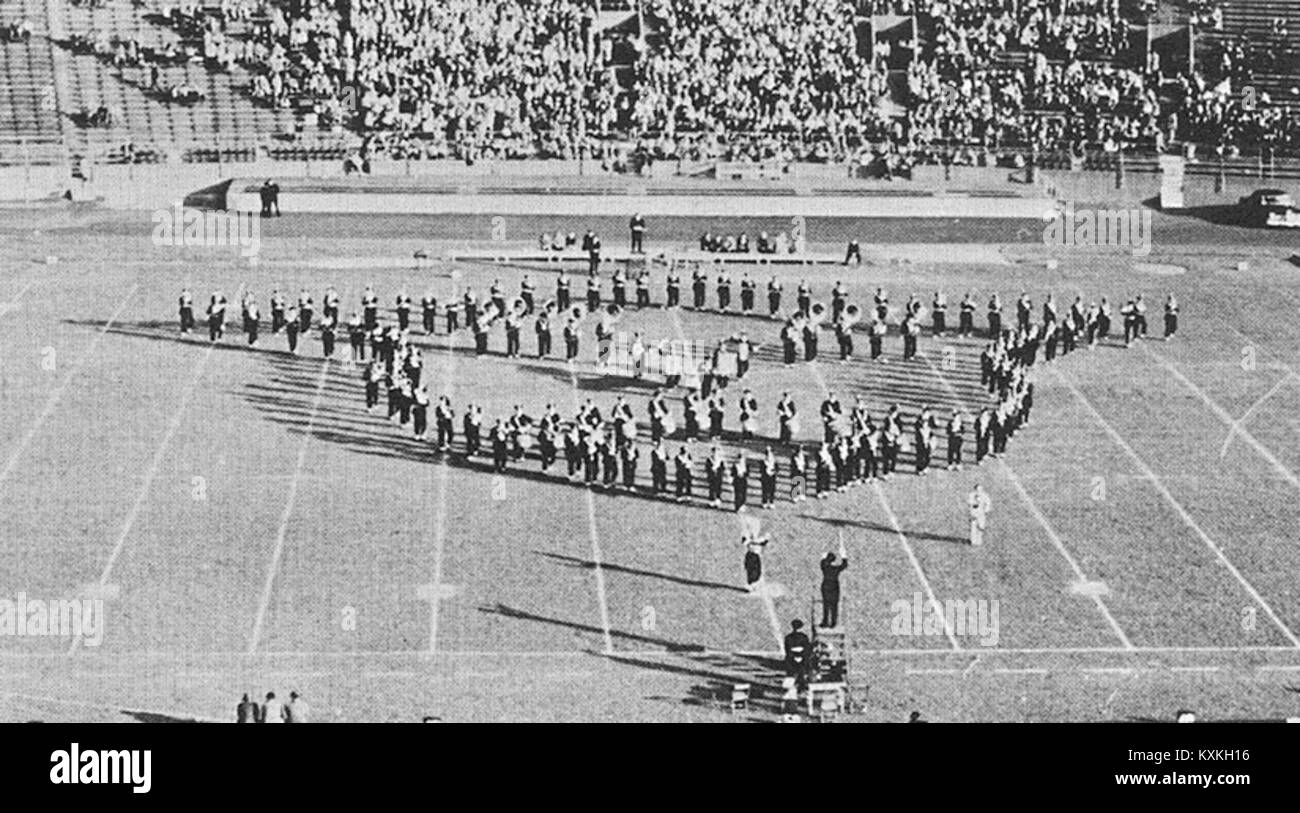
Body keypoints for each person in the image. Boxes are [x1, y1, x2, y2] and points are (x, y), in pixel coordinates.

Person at [820, 549, 848, 629]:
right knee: (834, 605)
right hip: (834, 587)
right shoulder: (835, 569)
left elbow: (822, 562)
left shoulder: (824, 567)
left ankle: (825, 622)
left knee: (826, 605)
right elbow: (844, 565)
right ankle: (833, 622)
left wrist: (824, 556)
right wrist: (843, 556)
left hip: (825, 586)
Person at [783, 620, 811, 687]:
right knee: (804, 670)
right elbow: (807, 649)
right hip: (802, 659)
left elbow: (787, 650)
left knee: (791, 673)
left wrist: (794, 657)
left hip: (791, 659)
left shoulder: (788, 637)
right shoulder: (804, 637)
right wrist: (801, 657)